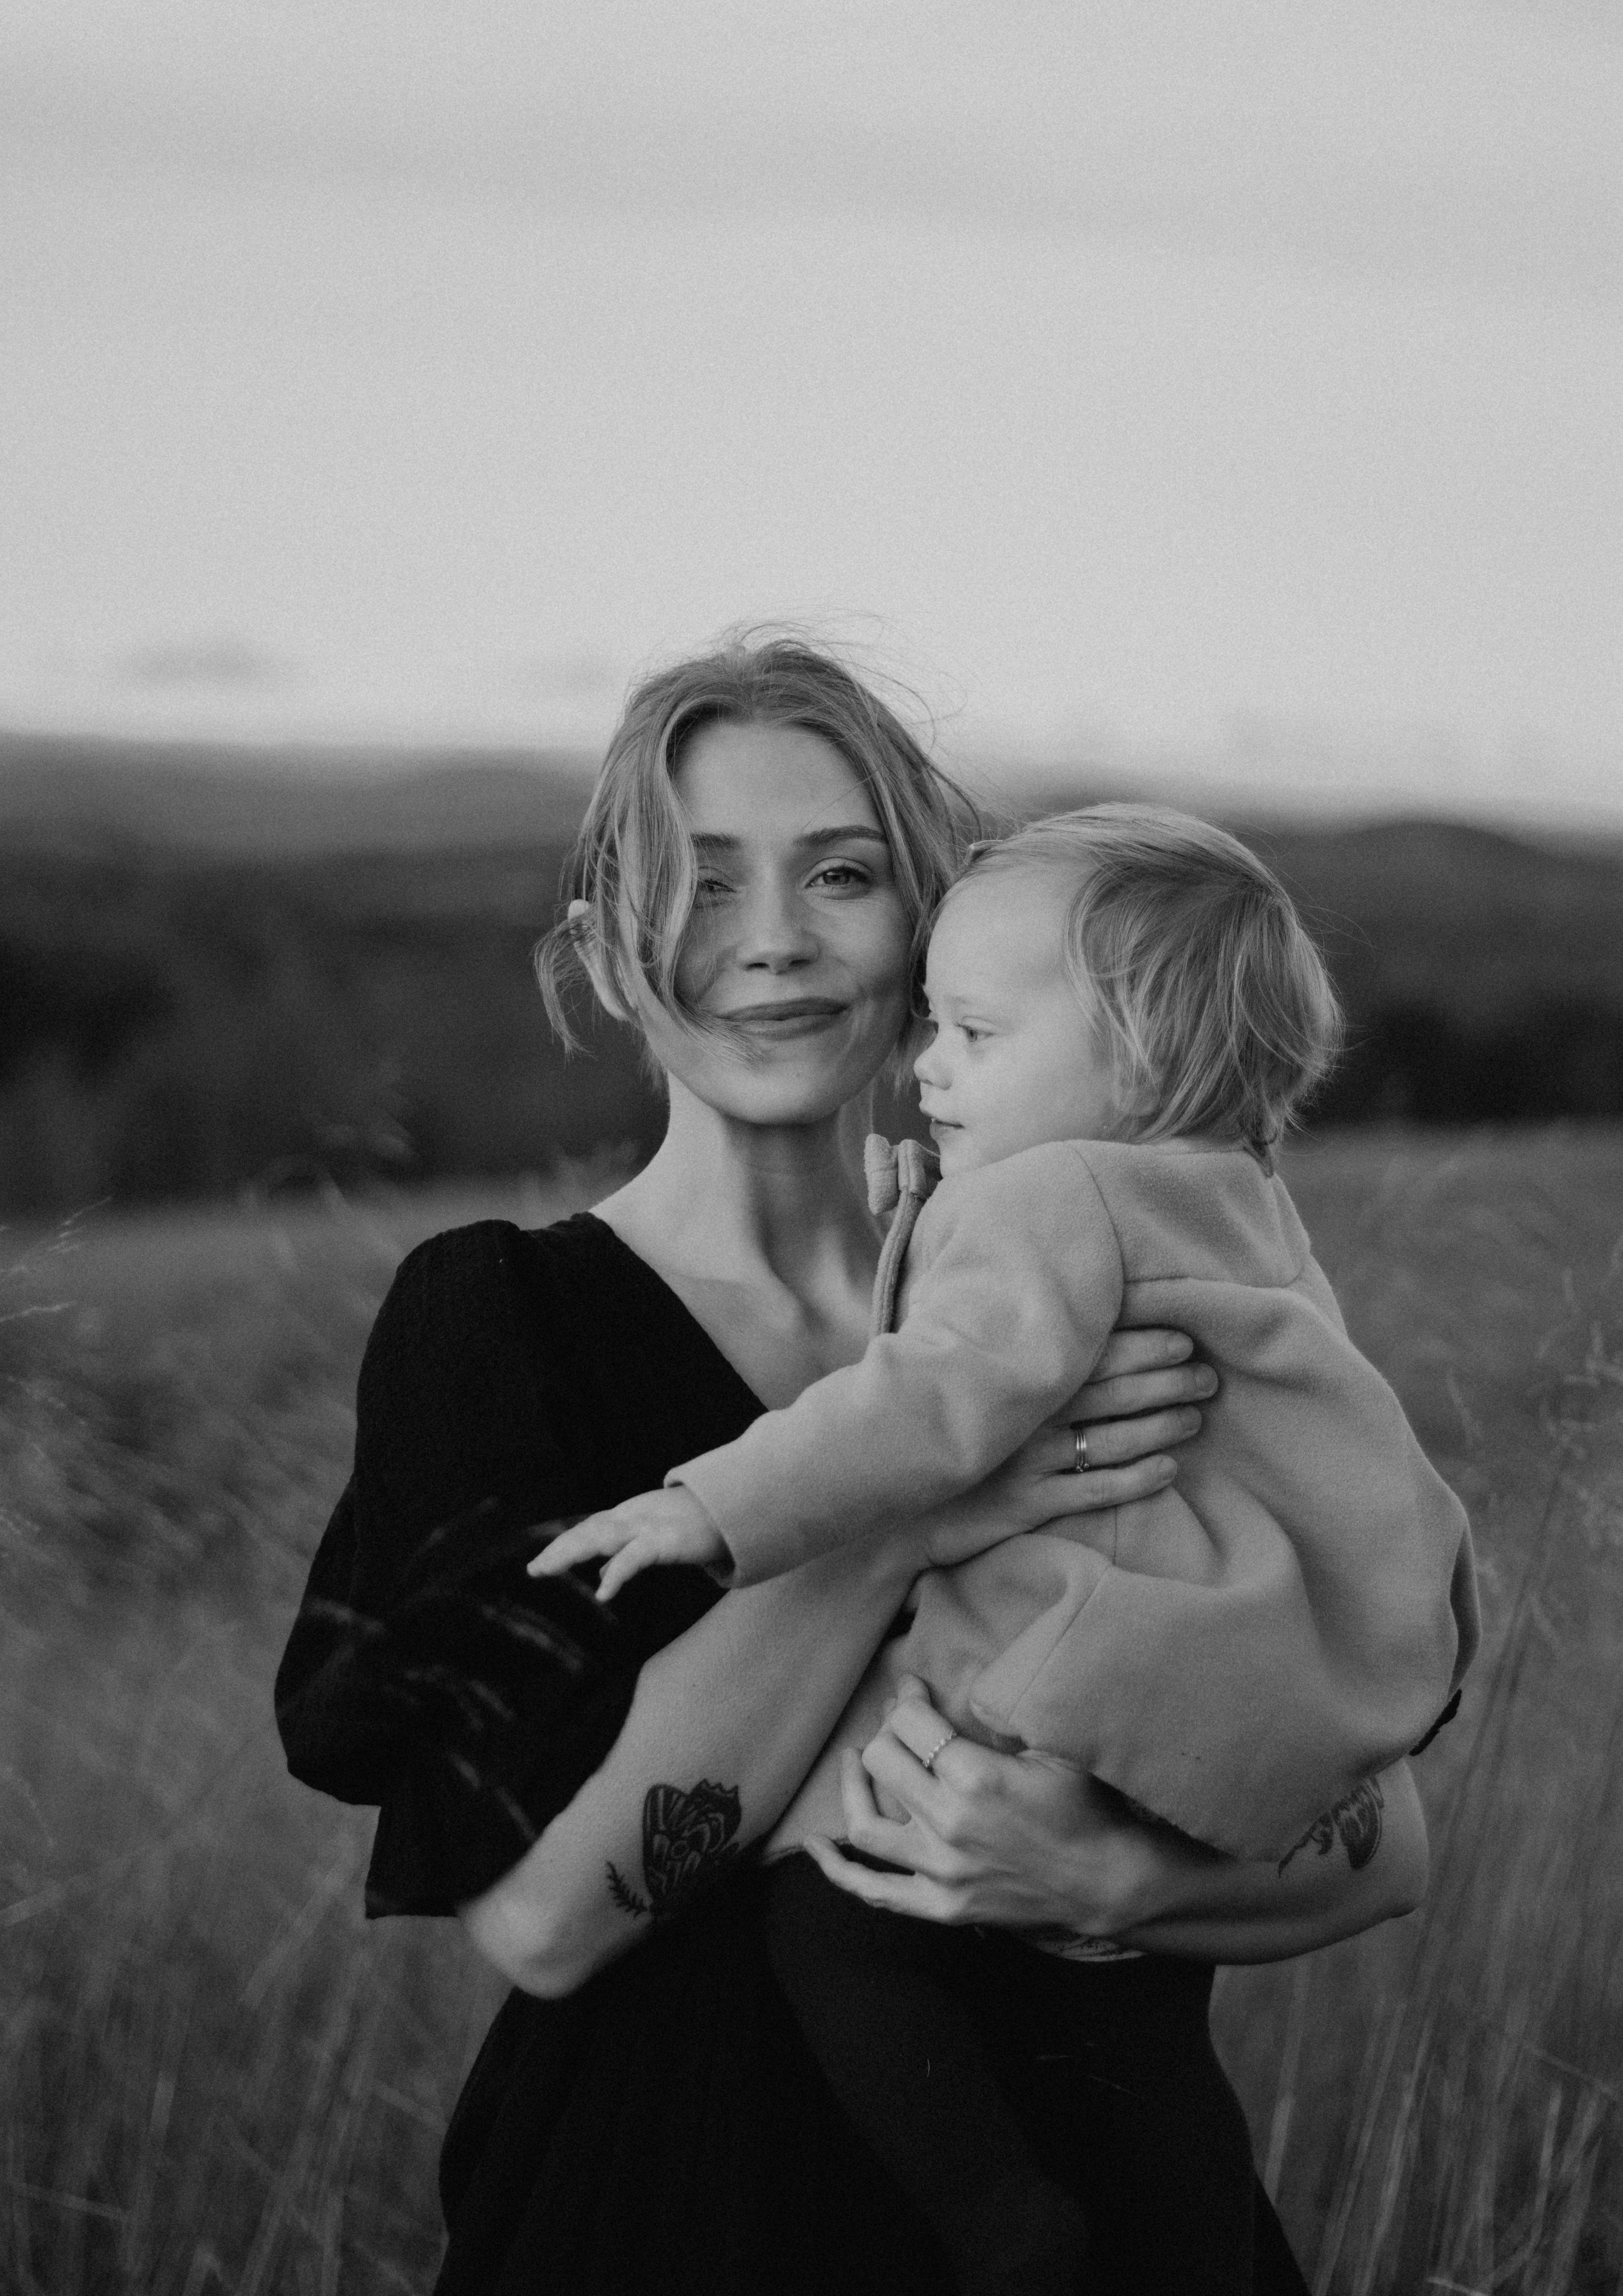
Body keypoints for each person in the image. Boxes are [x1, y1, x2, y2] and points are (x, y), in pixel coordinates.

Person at [275, 633, 1435, 2296]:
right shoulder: (498, 1322)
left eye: (842, 874)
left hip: (1113, 2226)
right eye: (701, 884)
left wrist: (1115, 1874)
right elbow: (544, 1921)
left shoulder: (1124, 1268)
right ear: (609, 953)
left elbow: (1384, 1848)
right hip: (674, 2224)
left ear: (938, 925)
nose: (771, 945)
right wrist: (899, 1530)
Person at [534, 800, 1477, 2292]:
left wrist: (711, 1508)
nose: (927, 1068)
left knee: (825, 1923)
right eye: (936, 1027)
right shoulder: (1234, 1198)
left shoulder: (1046, 1197)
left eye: (972, 1036)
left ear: (1138, 1062)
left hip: (1043, 1659)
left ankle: (1000, 2224)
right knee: (1133, 2028)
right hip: (1187, 1677)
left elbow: (925, 1407)